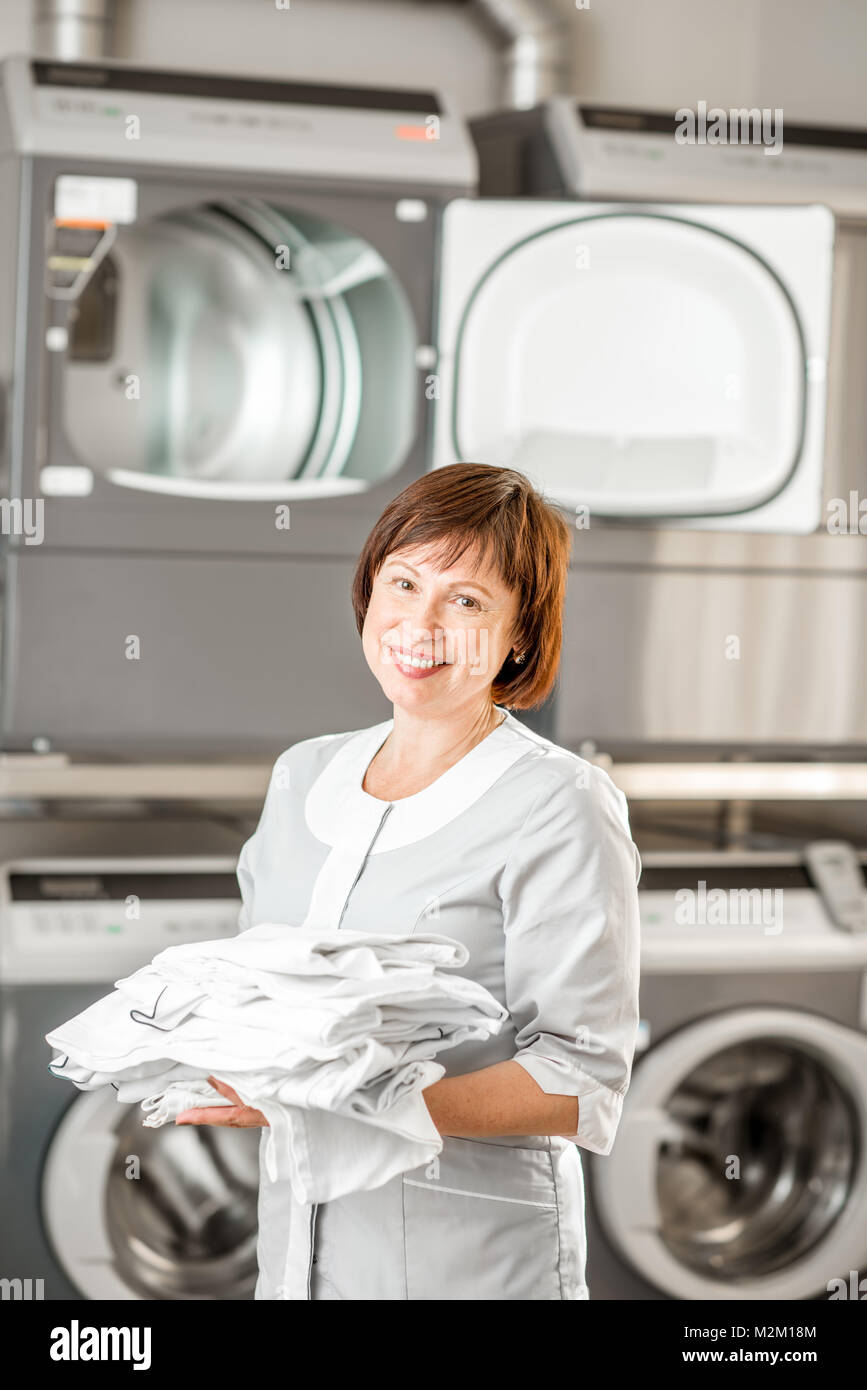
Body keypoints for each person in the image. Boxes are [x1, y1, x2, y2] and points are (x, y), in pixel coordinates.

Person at [175, 461, 642, 1300]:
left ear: (519, 635)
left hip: (467, 1263)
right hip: (295, 1255)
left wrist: (347, 1108)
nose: (417, 623)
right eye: (403, 581)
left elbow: (578, 1079)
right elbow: (266, 999)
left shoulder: (559, 803)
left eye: (466, 601)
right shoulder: (304, 775)